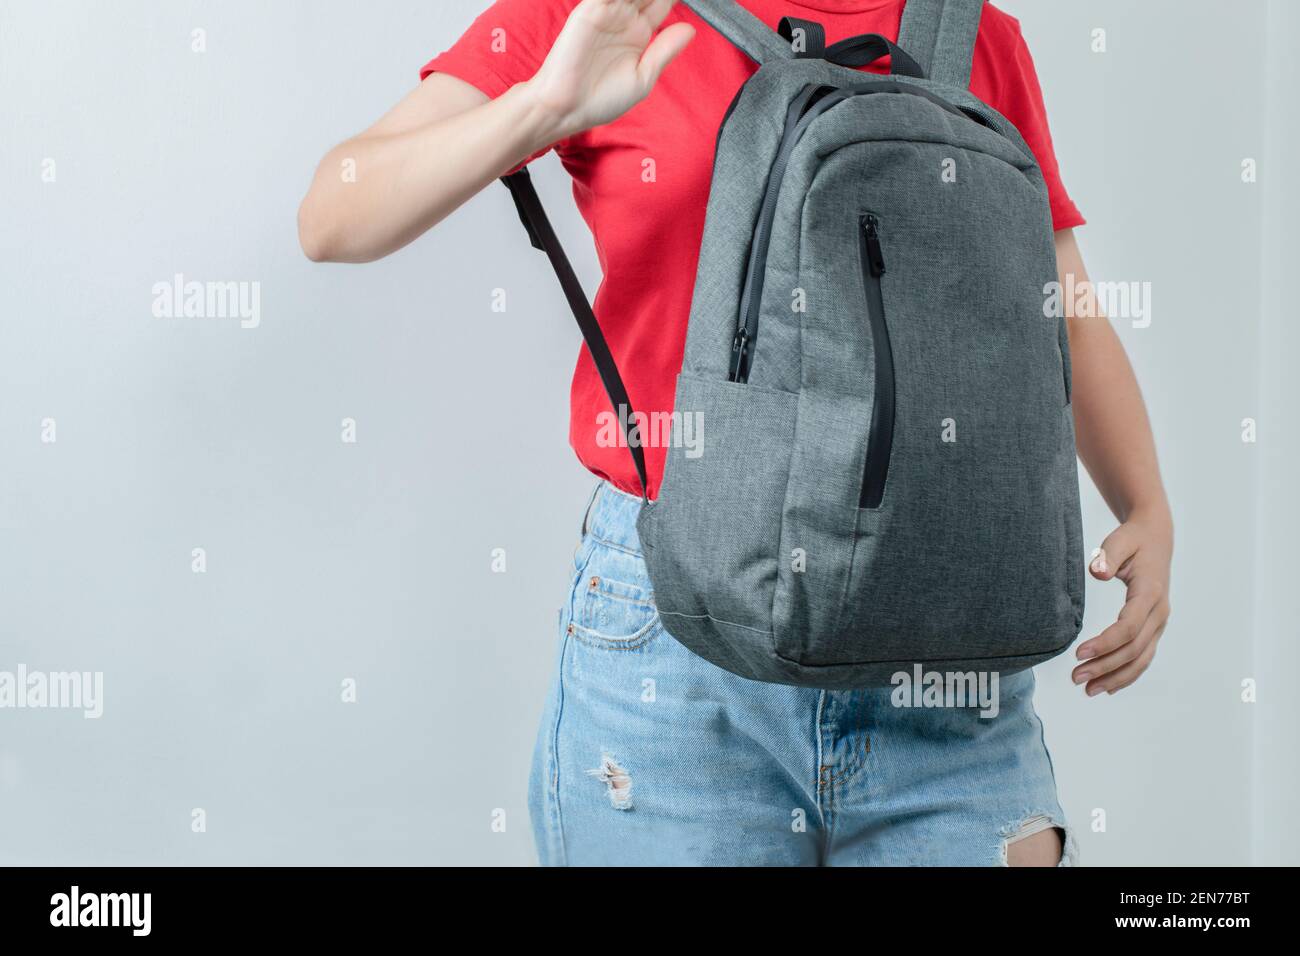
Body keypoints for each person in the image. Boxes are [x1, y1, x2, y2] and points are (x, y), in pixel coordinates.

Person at [298, 0, 1173, 866]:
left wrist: (1147, 503)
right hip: (676, 638)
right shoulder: (599, 10)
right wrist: (541, 108)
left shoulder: (975, 31)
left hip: (942, 642)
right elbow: (333, 216)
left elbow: (1060, 302)